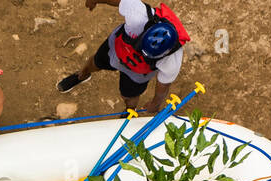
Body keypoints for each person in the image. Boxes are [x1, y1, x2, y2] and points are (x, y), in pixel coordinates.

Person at [56, 0, 189, 113]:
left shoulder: (172, 60)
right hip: (116, 50)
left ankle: (129, 112)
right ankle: (82, 75)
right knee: (95, 62)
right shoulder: (139, 15)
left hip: (137, 73)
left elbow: (163, 85)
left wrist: (156, 103)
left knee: (130, 96)